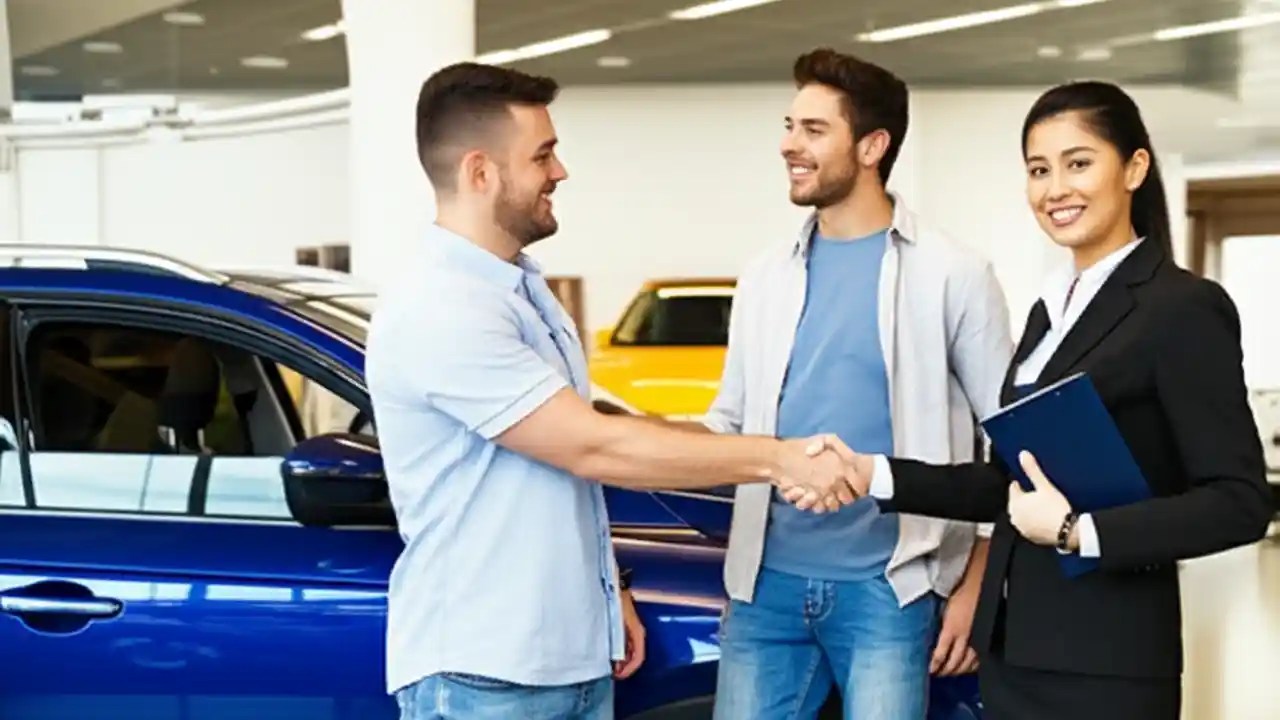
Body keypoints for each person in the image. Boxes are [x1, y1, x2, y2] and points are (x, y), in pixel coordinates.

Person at [364, 62, 859, 720]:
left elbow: (553, 472)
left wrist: (605, 592)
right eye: (543, 154)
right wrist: (778, 458)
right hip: (486, 673)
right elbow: (592, 447)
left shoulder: (518, 287)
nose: (560, 171)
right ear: (480, 172)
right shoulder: (441, 306)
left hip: (564, 659)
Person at [790, 80, 1275, 720]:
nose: (1055, 189)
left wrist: (1080, 532)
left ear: (1134, 168)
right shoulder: (1053, 313)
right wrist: (872, 473)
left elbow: (1239, 502)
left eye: (1079, 164)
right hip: (1017, 650)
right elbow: (1010, 486)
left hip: (1106, 664)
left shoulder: (1181, 307)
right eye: (1038, 170)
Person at [704, 48, 1014, 720]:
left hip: (892, 590)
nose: (789, 145)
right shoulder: (764, 276)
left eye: (813, 130)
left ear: (873, 145)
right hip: (764, 589)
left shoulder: (954, 273)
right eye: (789, 126)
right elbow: (727, 424)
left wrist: (975, 588)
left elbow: (1012, 447)